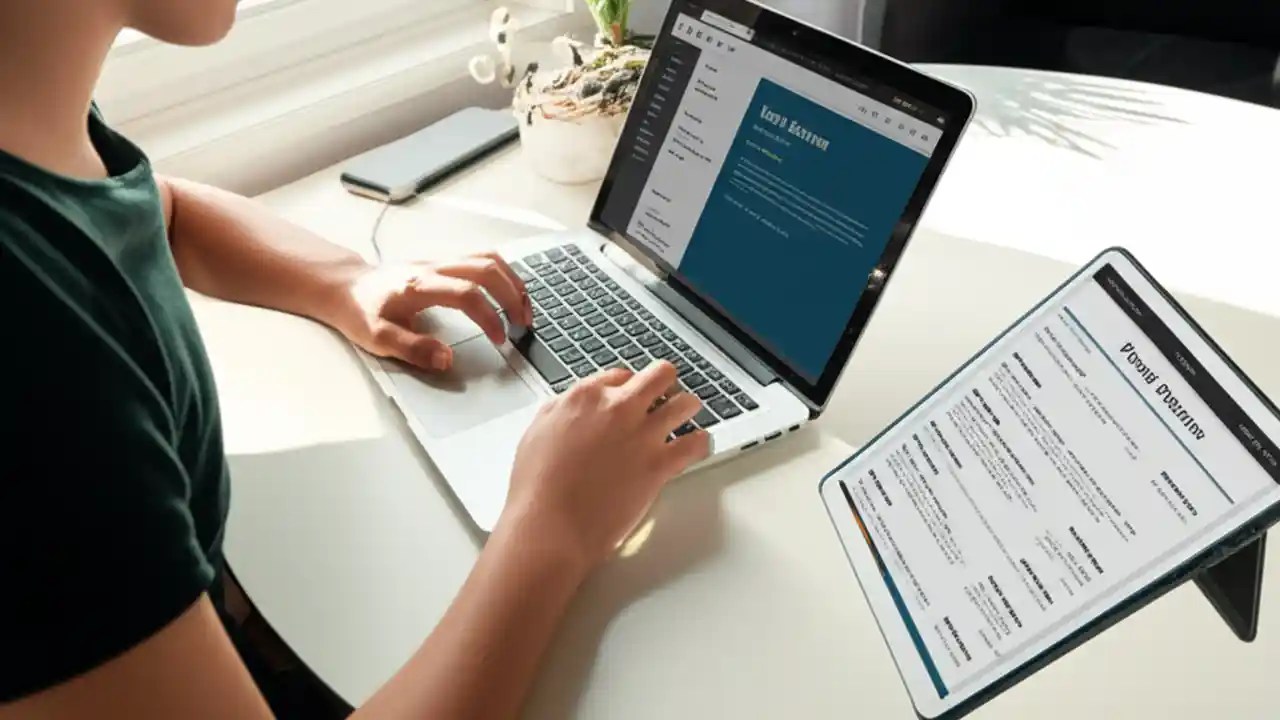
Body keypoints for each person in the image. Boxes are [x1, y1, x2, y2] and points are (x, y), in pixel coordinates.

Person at [0, 1, 710, 718]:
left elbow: (162, 208)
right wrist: (552, 524)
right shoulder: (32, 344)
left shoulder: (34, 103)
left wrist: (350, 282)